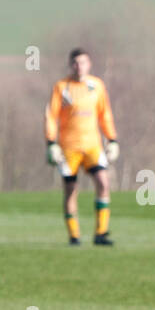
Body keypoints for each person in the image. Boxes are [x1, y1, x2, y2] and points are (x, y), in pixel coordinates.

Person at [46, 48, 118, 246]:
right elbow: (51, 116)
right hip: (69, 147)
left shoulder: (97, 86)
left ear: (89, 64)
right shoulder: (62, 87)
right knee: (71, 189)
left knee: (103, 182)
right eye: (76, 63)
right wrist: (51, 143)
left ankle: (101, 233)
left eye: (83, 62)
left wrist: (112, 139)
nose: (79, 67)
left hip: (92, 146)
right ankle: (74, 236)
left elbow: (105, 114)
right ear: (70, 65)